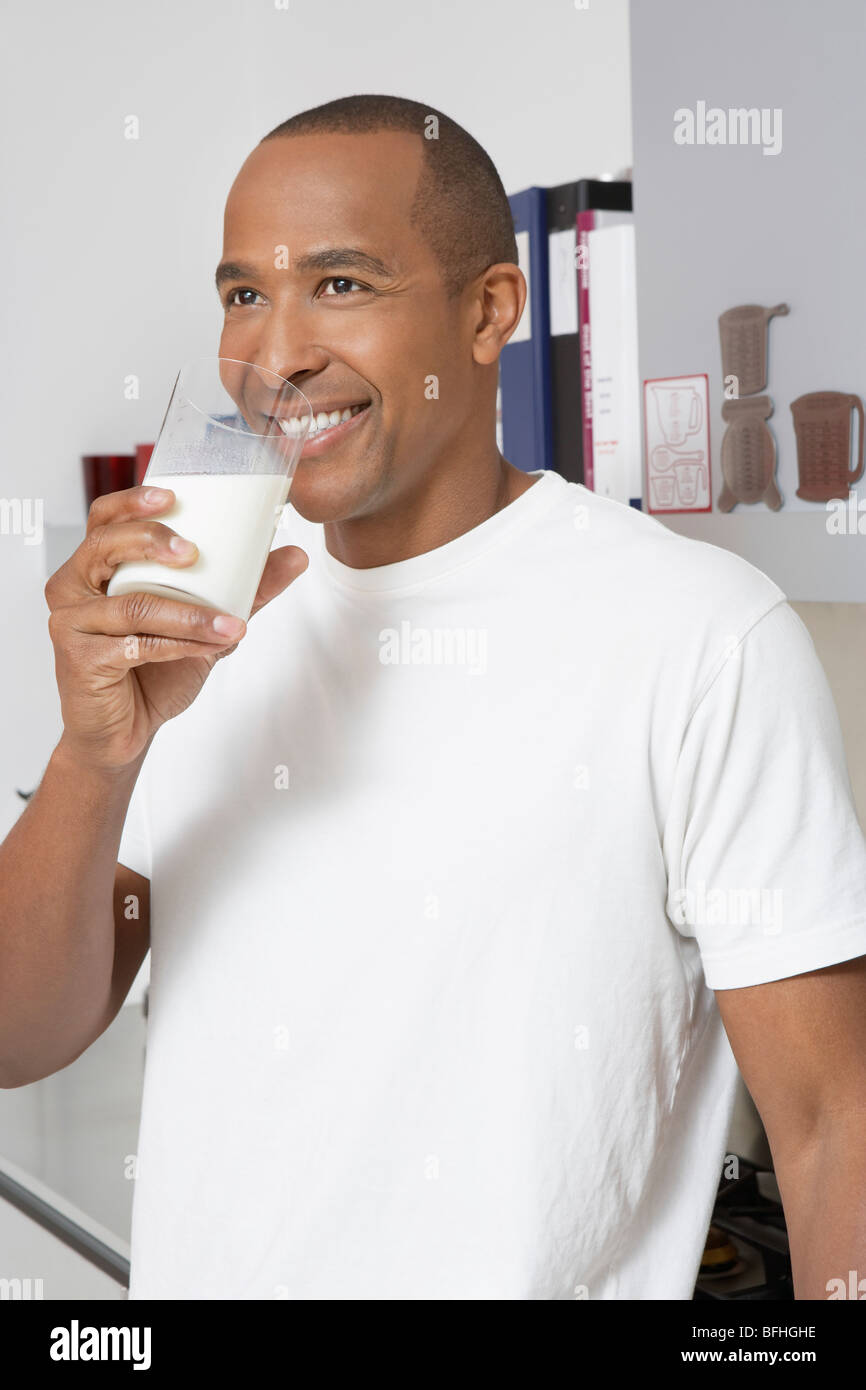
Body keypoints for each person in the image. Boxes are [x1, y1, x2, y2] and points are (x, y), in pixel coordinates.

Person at [2, 94, 866, 1301]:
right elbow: (18, 1036)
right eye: (243, 293)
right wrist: (99, 758)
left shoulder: (700, 637)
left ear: (489, 311)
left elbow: (835, 1130)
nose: (277, 352)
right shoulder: (201, 630)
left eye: (341, 285)